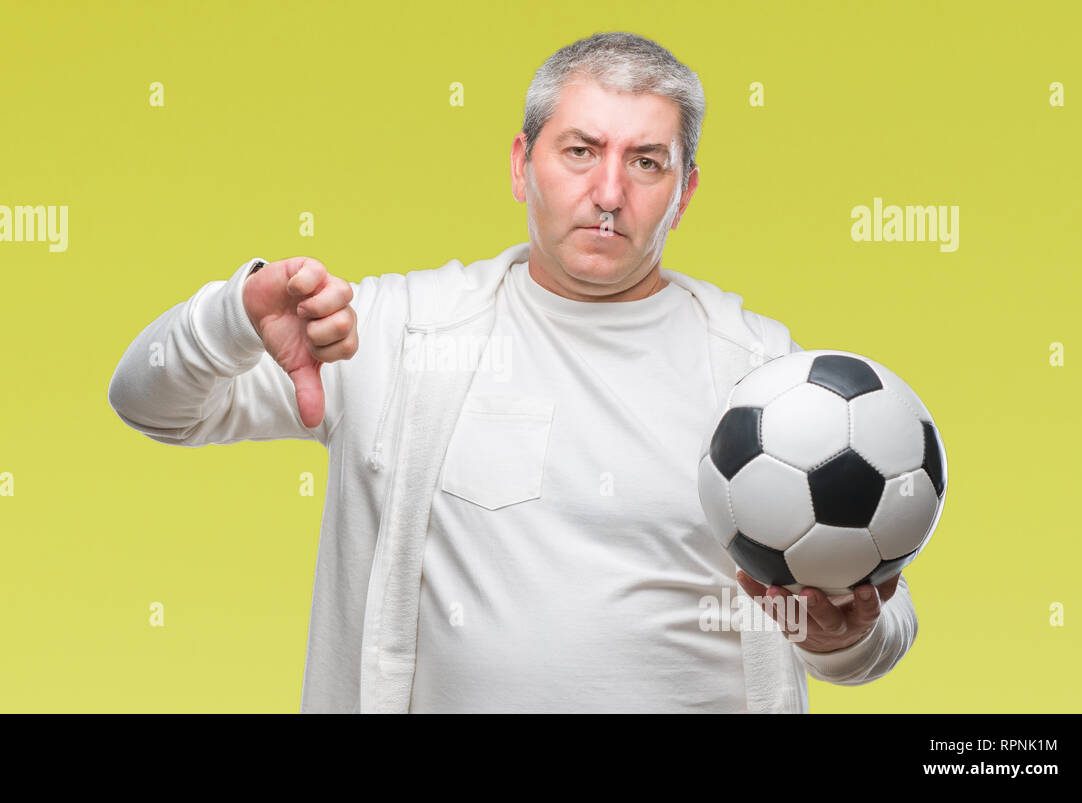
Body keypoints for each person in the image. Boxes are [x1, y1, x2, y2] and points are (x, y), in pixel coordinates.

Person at [107, 31, 917, 713]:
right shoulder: (397, 331)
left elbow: (877, 617)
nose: (608, 192)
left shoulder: (762, 371)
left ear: (685, 191)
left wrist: (845, 639)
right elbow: (151, 405)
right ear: (521, 163)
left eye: (645, 162)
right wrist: (233, 317)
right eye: (580, 151)